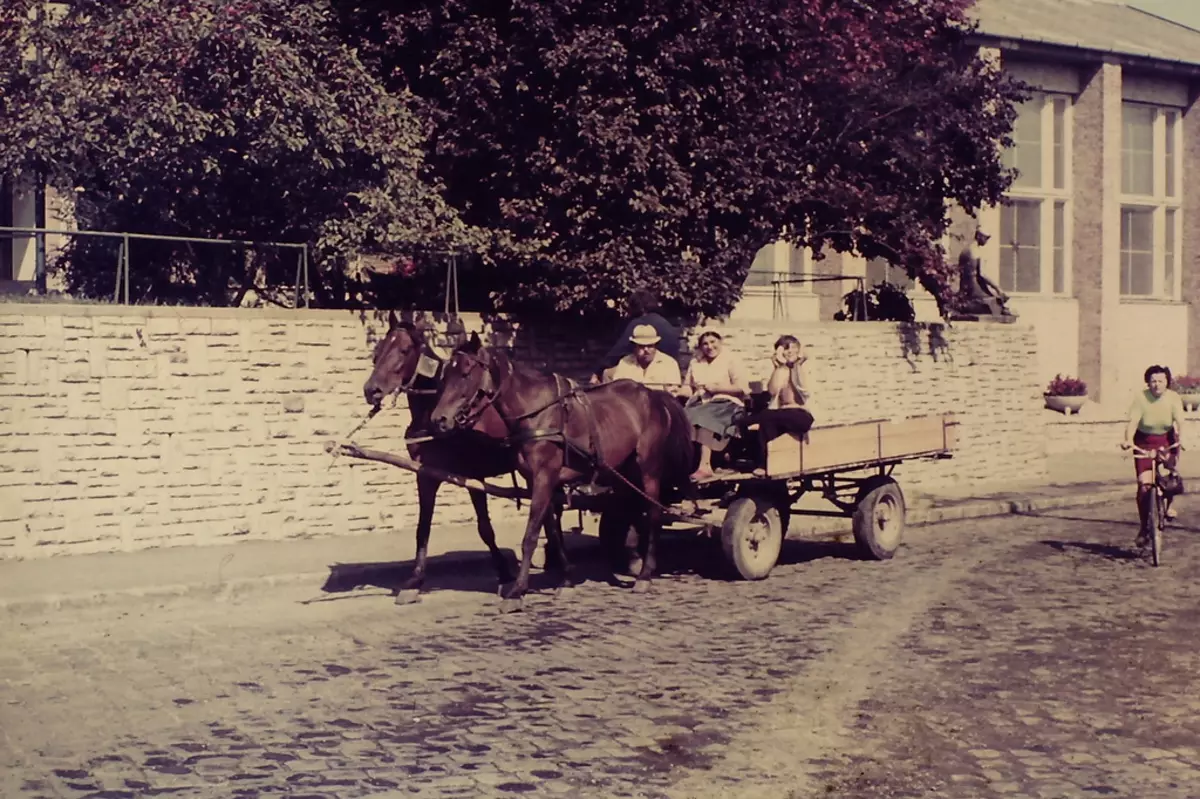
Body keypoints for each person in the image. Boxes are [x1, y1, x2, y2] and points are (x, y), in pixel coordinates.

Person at [1121, 364, 1185, 545]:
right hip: (1144, 442)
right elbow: (1133, 422)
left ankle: (1168, 506)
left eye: (1161, 381)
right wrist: (1128, 440)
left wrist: (1183, 438)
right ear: (1148, 383)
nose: (1157, 385)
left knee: (1169, 480)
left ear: (1167, 382)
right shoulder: (1141, 398)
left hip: (1167, 440)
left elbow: (1180, 421)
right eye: (1153, 381)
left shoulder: (1173, 398)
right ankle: (1144, 528)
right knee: (1144, 486)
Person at [679, 330, 750, 480]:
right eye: (705, 343)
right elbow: (688, 387)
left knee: (703, 416)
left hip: (728, 403)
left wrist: (718, 388)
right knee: (682, 417)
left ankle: (705, 466)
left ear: (720, 342)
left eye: (713, 342)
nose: (709, 347)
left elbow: (742, 388)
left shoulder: (731, 360)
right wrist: (678, 391)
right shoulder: (696, 362)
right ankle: (683, 465)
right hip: (701, 402)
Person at [748, 335, 815, 475]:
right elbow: (773, 391)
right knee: (748, 421)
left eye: (792, 348)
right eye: (785, 348)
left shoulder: (803, 367)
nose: (789, 352)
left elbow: (803, 388)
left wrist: (796, 364)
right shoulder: (780, 370)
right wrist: (780, 367)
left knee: (767, 417)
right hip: (779, 415)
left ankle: (764, 463)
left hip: (801, 415)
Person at [593, 288, 680, 381]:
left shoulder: (639, 323)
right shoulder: (665, 323)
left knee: (607, 373)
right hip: (671, 367)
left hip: (653, 367)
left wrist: (598, 371)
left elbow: (617, 351)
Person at [604, 324, 682, 388]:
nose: (646, 350)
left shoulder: (669, 364)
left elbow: (672, 397)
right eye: (641, 346)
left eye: (650, 346)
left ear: (655, 345)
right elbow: (617, 391)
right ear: (635, 347)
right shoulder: (625, 362)